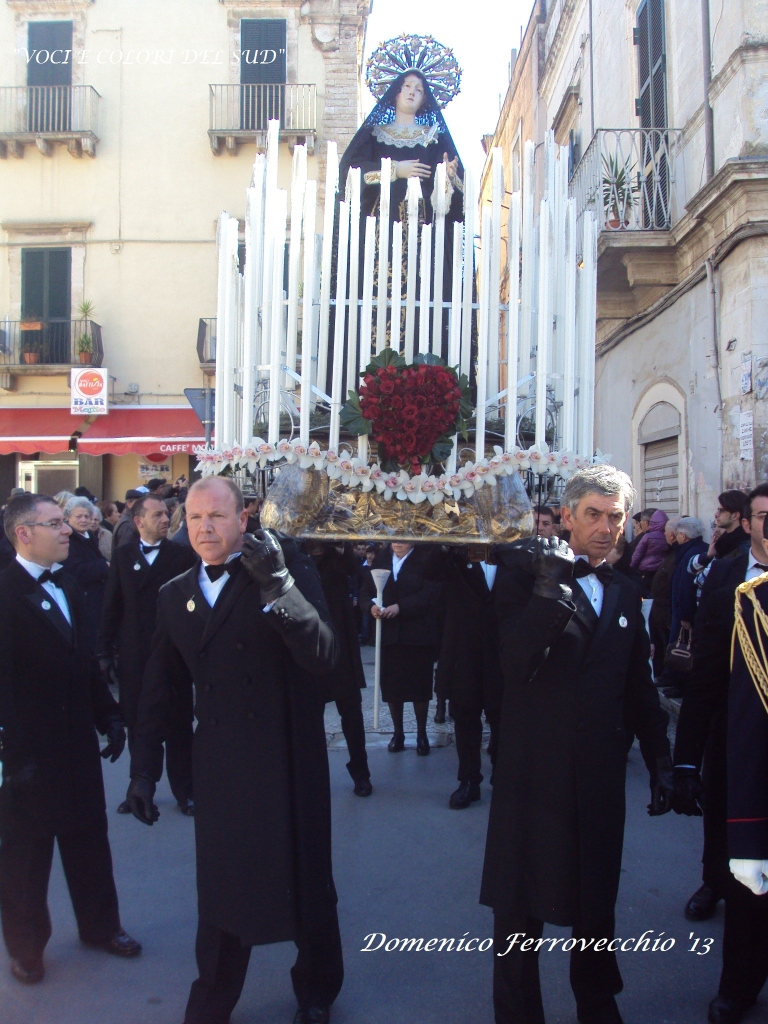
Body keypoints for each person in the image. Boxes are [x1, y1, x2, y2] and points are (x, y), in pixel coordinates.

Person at [126, 478, 342, 1024]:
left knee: (306, 879)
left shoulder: (280, 564)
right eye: (194, 517)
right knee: (223, 889)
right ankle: (214, 998)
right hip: (221, 765)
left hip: (289, 758)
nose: (204, 527)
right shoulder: (174, 594)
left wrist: (276, 587)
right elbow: (160, 690)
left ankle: (316, 991)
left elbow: (324, 654)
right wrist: (144, 773)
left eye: (216, 516)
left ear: (244, 519)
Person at [481, 465, 672, 1024]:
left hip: (596, 777)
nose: (605, 528)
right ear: (566, 517)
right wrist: (550, 589)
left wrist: (661, 760)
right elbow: (513, 665)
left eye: (615, 517)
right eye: (593, 515)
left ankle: (596, 998)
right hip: (530, 776)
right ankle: (517, 1010)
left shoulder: (627, 591)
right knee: (519, 908)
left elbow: (638, 685)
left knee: (595, 900)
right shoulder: (520, 577)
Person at [0, 493, 140, 985]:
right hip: (26, 755)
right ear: (23, 533)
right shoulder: (4, 592)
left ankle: (102, 927)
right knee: (25, 856)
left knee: (88, 841)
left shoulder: (71, 585)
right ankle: (26, 948)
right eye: (56, 523)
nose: (68, 531)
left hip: (76, 745)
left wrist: (109, 716)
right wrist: (12, 756)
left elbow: (84, 666)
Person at [673, 484, 768, 943]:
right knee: (724, 813)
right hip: (730, 727)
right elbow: (706, 669)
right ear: (747, 523)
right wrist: (686, 758)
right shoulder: (725, 575)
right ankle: (715, 881)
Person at [338, 68, 463, 357]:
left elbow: (454, 203)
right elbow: (349, 175)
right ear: (395, 92)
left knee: (424, 297)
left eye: (419, 89)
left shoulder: (435, 139)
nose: (411, 92)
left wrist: (448, 177)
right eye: (407, 86)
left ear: (425, 99)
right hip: (379, 233)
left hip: (424, 237)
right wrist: (394, 170)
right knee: (376, 295)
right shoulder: (374, 136)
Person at [97, 494, 198, 816]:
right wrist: (103, 652)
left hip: (172, 654)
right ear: (138, 521)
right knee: (139, 725)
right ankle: (140, 789)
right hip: (135, 656)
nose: (165, 519)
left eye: (166, 514)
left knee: (179, 724)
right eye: (156, 515)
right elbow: (112, 605)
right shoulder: (123, 556)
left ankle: (186, 791)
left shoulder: (181, 555)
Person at [715, 517, 768, 1024]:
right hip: (762, 782)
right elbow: (749, 719)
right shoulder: (755, 603)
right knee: (752, 900)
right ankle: (739, 986)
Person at [424, 546, 503, 808]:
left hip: (502, 656)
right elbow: (430, 569)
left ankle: (504, 778)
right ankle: (469, 781)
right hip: (463, 655)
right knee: (466, 721)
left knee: (504, 721)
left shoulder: (511, 556)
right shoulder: (453, 558)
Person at [361, 541, 440, 756]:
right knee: (392, 688)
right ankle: (398, 733)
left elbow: (431, 594)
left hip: (417, 635)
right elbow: (366, 592)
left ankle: (421, 734)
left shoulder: (424, 558)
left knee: (418, 688)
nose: (398, 544)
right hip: (389, 636)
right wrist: (372, 607)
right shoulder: (382, 558)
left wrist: (401, 607)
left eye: (403, 539)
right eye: (394, 539)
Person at [307, 542, 372, 797]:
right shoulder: (301, 552)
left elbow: (353, 569)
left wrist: (339, 545)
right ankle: (312, 774)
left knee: (352, 714)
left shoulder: (338, 551)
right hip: (310, 643)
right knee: (310, 718)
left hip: (340, 644)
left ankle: (361, 772)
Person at [661, 517, 708, 698]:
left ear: (683, 535)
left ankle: (679, 685)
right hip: (682, 609)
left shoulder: (691, 554)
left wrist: (685, 615)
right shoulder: (693, 550)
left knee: (683, 648)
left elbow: (688, 586)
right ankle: (673, 680)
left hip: (685, 612)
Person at [61, 495, 110, 653]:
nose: (83, 520)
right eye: (79, 516)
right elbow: (74, 570)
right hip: (83, 599)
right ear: (68, 518)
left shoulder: (89, 537)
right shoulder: (68, 540)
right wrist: (104, 565)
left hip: (96, 599)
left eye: (87, 516)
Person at [688, 490, 749, 582]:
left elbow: (703, 581)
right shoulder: (723, 543)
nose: (716, 515)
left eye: (722, 511)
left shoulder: (741, 547)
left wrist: (701, 573)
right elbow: (690, 568)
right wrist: (708, 556)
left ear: (735, 515)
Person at [647, 517, 679, 679]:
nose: (664, 534)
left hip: (666, 611)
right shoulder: (670, 553)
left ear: (672, 535)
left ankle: (669, 675)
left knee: (668, 644)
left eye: (666, 532)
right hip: (661, 610)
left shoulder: (677, 556)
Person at [629, 508, 668, 595]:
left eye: (640, 521)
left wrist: (631, 566)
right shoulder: (666, 535)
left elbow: (637, 555)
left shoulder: (647, 537)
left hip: (645, 571)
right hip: (660, 570)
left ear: (647, 522)